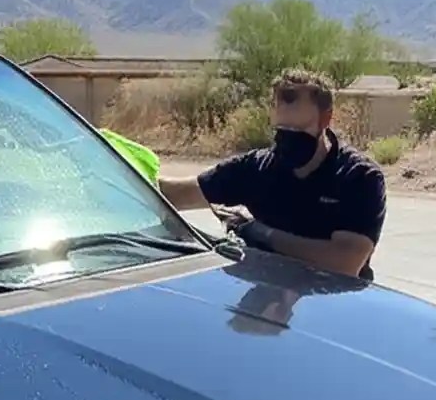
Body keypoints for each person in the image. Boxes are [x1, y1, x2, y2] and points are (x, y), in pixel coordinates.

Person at [157, 69, 386, 280]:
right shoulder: (256, 168)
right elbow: (177, 194)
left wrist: (261, 233)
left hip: (330, 301)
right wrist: (127, 173)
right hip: (267, 295)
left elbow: (345, 263)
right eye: (281, 130)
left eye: (298, 131)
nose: (289, 140)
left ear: (325, 120)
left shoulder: (357, 176)